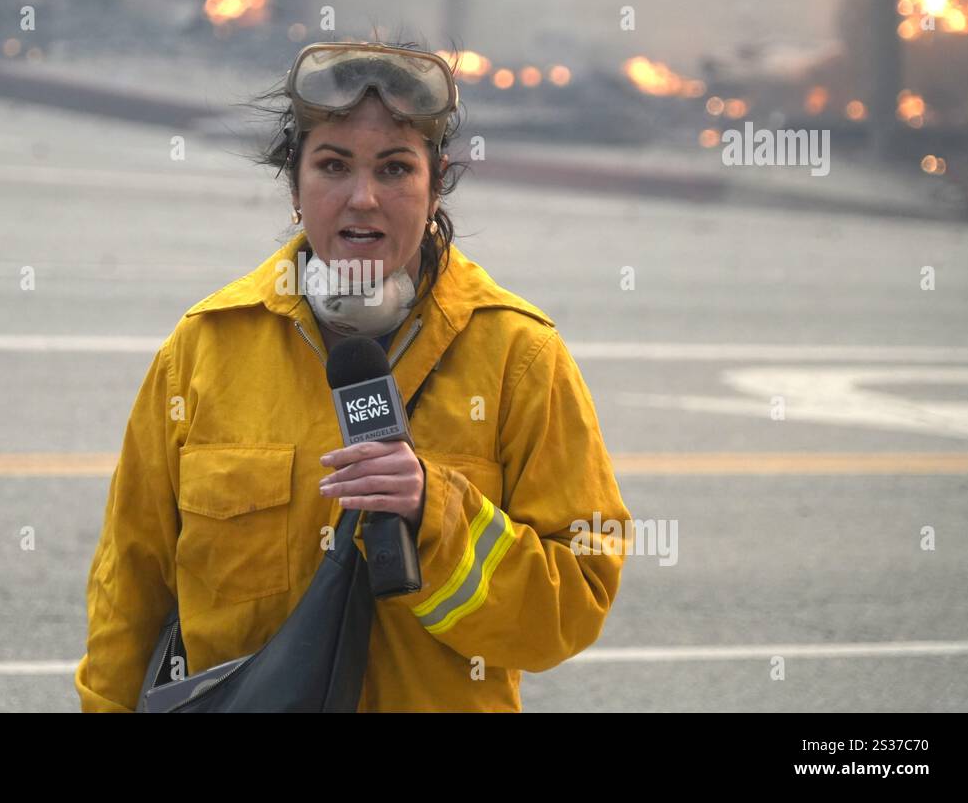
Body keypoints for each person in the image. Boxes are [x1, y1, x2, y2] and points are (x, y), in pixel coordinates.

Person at [75, 38, 631, 712]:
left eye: (395, 169)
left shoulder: (519, 355)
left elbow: (570, 609)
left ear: (435, 185)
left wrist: (438, 511)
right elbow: (127, 591)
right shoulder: (204, 349)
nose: (362, 197)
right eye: (333, 165)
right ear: (294, 183)